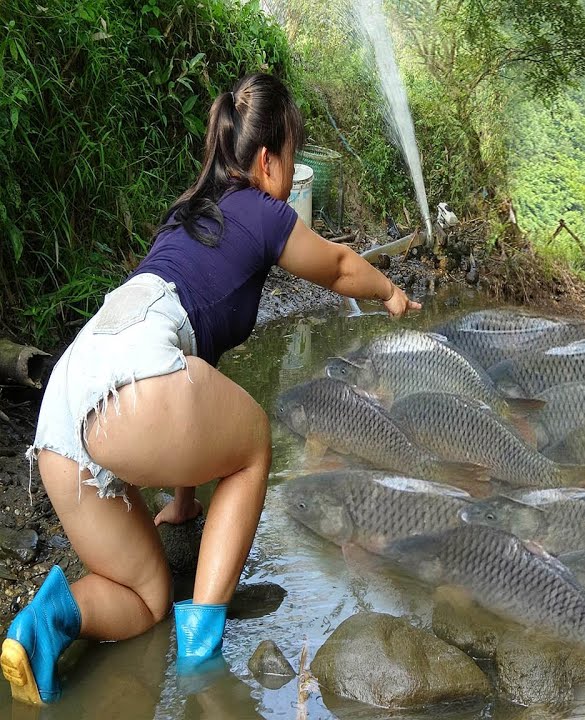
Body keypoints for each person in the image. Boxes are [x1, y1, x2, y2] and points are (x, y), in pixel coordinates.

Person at [2, 73, 421, 706]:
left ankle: (45, 623)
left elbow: (194, 382)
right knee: (253, 445)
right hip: (138, 379)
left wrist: (185, 504)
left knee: (144, 601)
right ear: (266, 160)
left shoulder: (185, 217)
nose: (292, 169)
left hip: (66, 407)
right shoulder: (261, 208)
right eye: (293, 152)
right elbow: (336, 265)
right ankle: (204, 660)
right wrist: (390, 293)